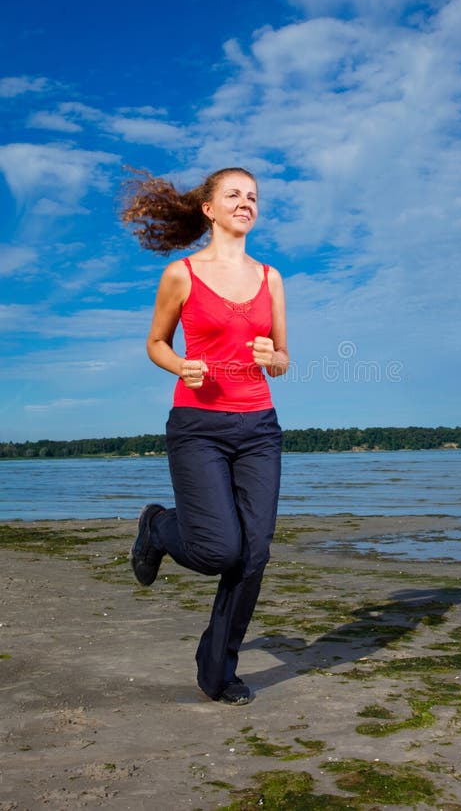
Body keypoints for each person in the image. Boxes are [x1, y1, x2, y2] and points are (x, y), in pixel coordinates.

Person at [120, 166, 289, 705]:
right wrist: (179, 365)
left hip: (259, 427)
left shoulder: (271, 278)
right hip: (199, 428)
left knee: (253, 554)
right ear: (209, 209)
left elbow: (283, 356)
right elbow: (155, 342)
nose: (246, 203)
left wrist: (274, 358)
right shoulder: (182, 274)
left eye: (253, 197)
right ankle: (158, 526)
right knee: (220, 549)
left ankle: (217, 672)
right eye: (234, 195)